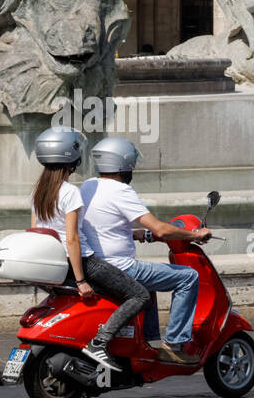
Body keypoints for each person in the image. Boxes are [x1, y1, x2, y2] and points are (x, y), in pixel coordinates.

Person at [79, 137, 212, 365]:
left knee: (151, 283)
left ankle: (149, 342)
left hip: (95, 265)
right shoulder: (121, 191)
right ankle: (174, 344)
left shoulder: (89, 185)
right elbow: (160, 228)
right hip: (119, 267)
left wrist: (136, 234)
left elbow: (100, 226)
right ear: (124, 163)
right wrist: (194, 235)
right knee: (188, 277)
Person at [28, 127, 149, 372]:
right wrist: (82, 280)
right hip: (84, 262)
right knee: (140, 295)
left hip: (57, 261)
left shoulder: (37, 192)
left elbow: (36, 232)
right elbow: (72, 239)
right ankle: (100, 342)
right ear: (72, 159)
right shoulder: (70, 192)